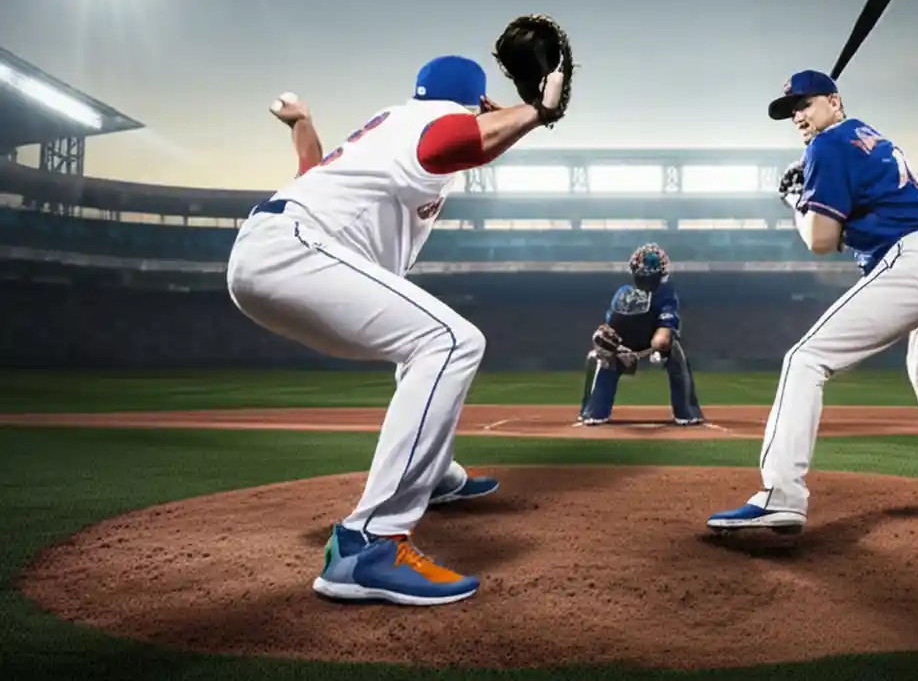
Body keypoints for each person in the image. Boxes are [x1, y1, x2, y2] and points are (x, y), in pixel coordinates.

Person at [227, 54, 567, 605]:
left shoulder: (387, 133)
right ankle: (372, 542)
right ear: (477, 104)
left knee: (421, 345)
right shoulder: (421, 124)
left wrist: (302, 123)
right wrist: (535, 111)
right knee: (451, 341)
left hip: (276, 251)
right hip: (292, 251)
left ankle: (432, 474)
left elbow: (311, 172)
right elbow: (448, 141)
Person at [707, 70, 918, 534]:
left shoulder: (828, 143)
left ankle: (781, 495)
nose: (797, 115)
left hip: (915, 262)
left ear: (835, 101)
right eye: (791, 110)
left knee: (806, 359)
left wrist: (797, 201)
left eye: (805, 104)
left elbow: (820, 239)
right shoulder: (868, 137)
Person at [578, 243, 704, 426]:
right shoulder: (624, 294)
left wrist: (645, 352)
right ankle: (593, 411)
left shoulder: (663, 295)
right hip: (623, 347)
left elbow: (662, 339)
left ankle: (686, 412)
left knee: (675, 353)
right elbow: (609, 330)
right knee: (598, 357)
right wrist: (618, 351)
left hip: (653, 347)